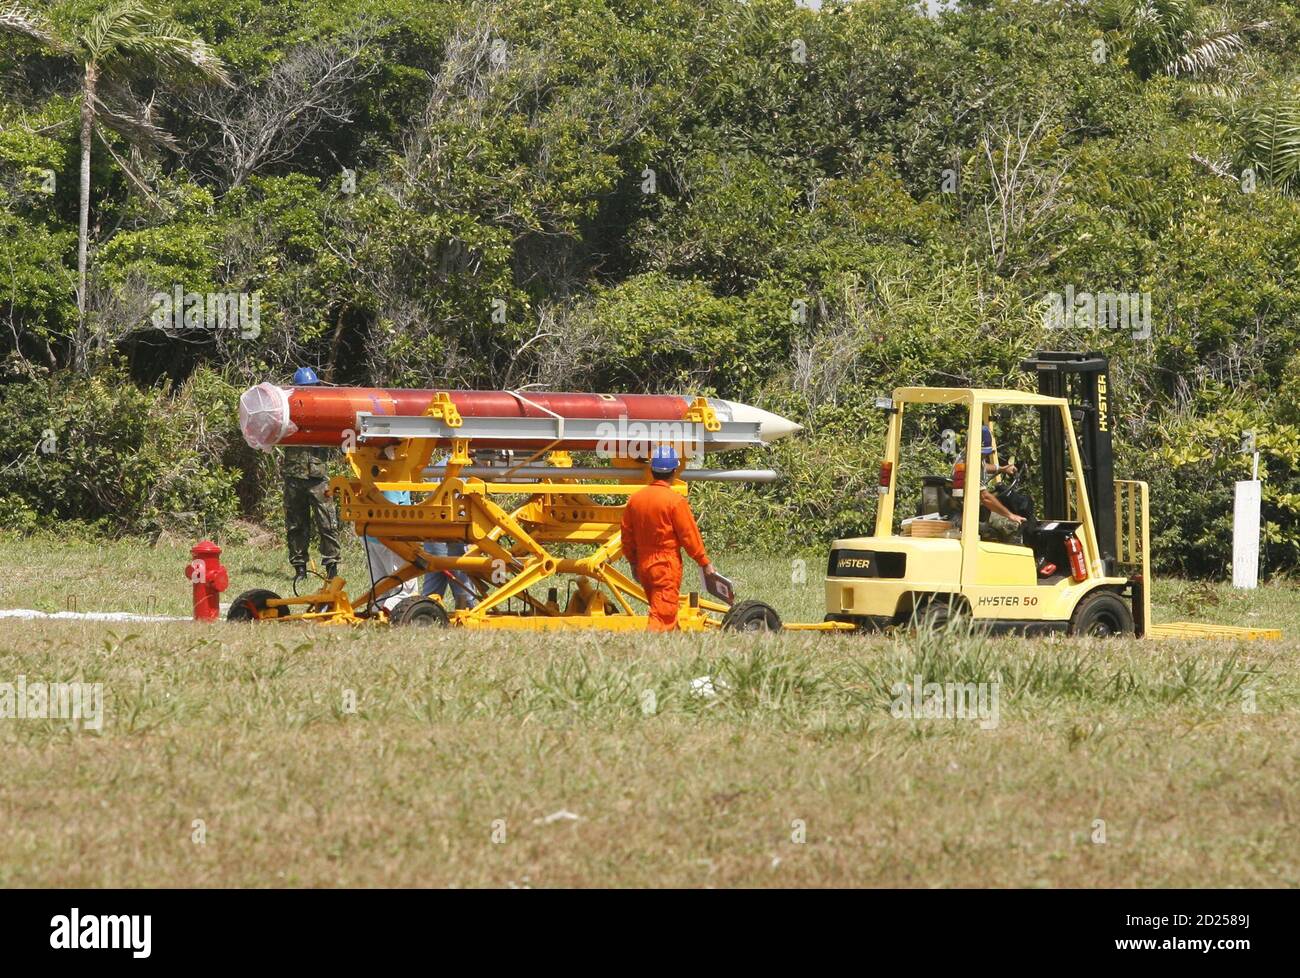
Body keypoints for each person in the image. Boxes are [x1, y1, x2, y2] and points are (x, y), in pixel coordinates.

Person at [620, 445, 717, 632]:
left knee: (663, 608)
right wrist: (704, 562)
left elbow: (627, 535)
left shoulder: (635, 499)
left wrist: (633, 562)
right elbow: (689, 535)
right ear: (674, 472)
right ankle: (647, 652)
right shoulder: (674, 501)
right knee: (662, 615)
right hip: (665, 564)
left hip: (644, 563)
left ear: (652, 470)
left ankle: (675, 647)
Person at [283, 366, 340, 587]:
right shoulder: (288, 410)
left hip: (318, 477)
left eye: (311, 387)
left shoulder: (322, 409)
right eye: (304, 388)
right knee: (296, 525)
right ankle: (300, 569)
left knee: (327, 523)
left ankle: (332, 569)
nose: (308, 392)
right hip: (294, 475)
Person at [975, 424, 1026, 543]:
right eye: (983, 453)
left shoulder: (966, 457)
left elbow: (984, 467)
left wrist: (1001, 468)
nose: (985, 456)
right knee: (1013, 526)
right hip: (972, 514)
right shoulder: (971, 464)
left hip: (965, 510)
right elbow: (985, 497)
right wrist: (1010, 515)